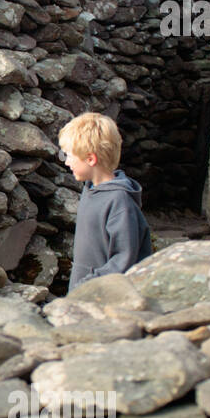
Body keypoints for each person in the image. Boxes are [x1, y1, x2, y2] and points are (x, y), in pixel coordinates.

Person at [58, 111, 153, 291]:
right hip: (83, 290)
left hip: (105, 294)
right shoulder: (90, 190)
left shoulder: (120, 202)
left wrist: (89, 285)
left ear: (91, 159)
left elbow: (124, 259)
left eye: (69, 155)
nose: (66, 162)